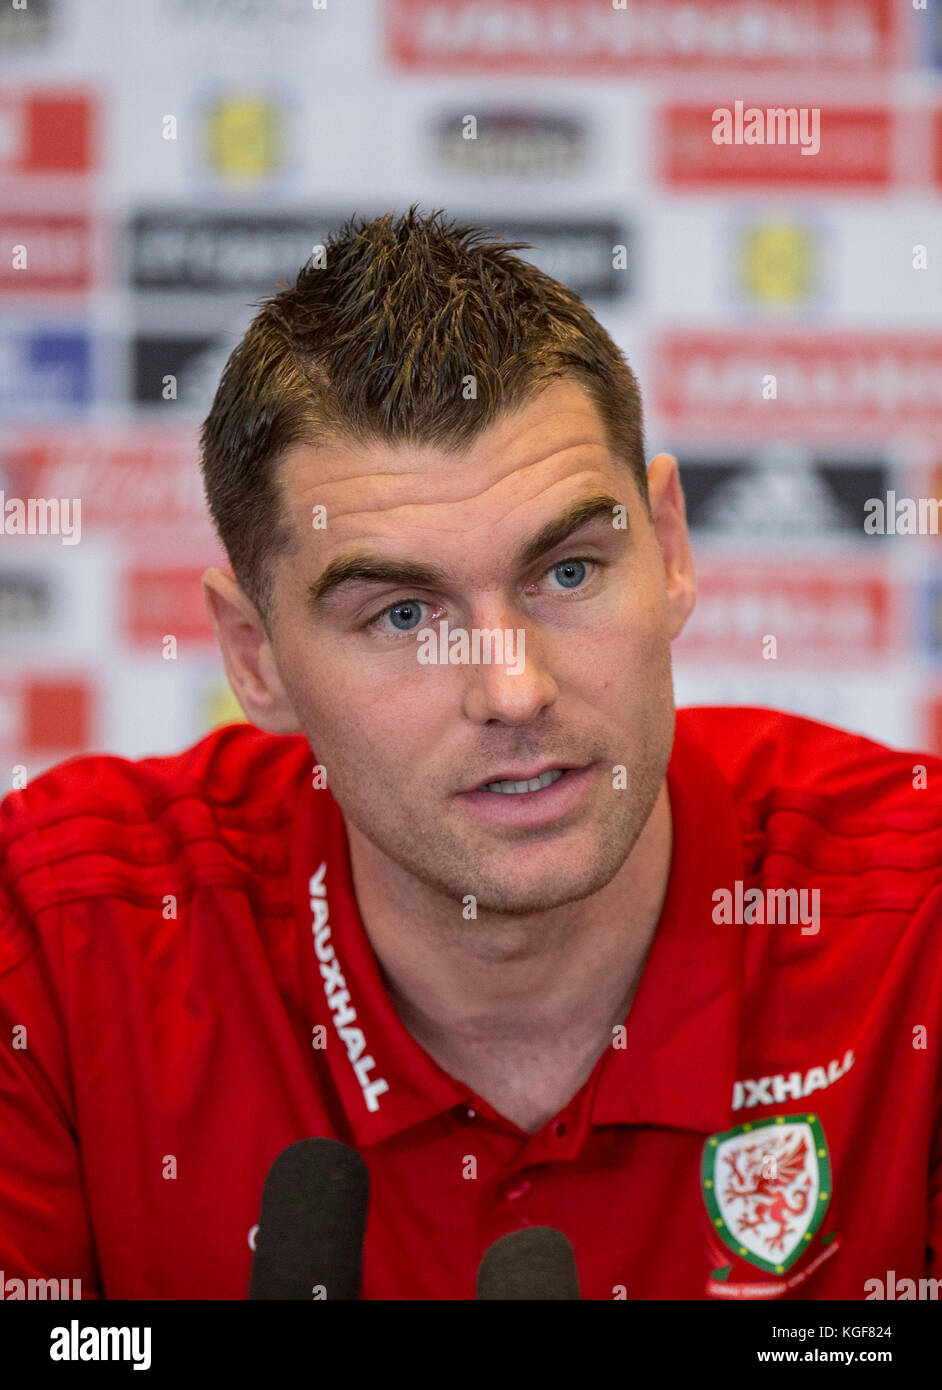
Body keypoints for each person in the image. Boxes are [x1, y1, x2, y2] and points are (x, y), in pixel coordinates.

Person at [1, 207, 939, 1301]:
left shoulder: (915, 921)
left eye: (571, 573)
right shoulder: (64, 945)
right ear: (255, 657)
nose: (515, 688)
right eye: (402, 616)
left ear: (670, 549)